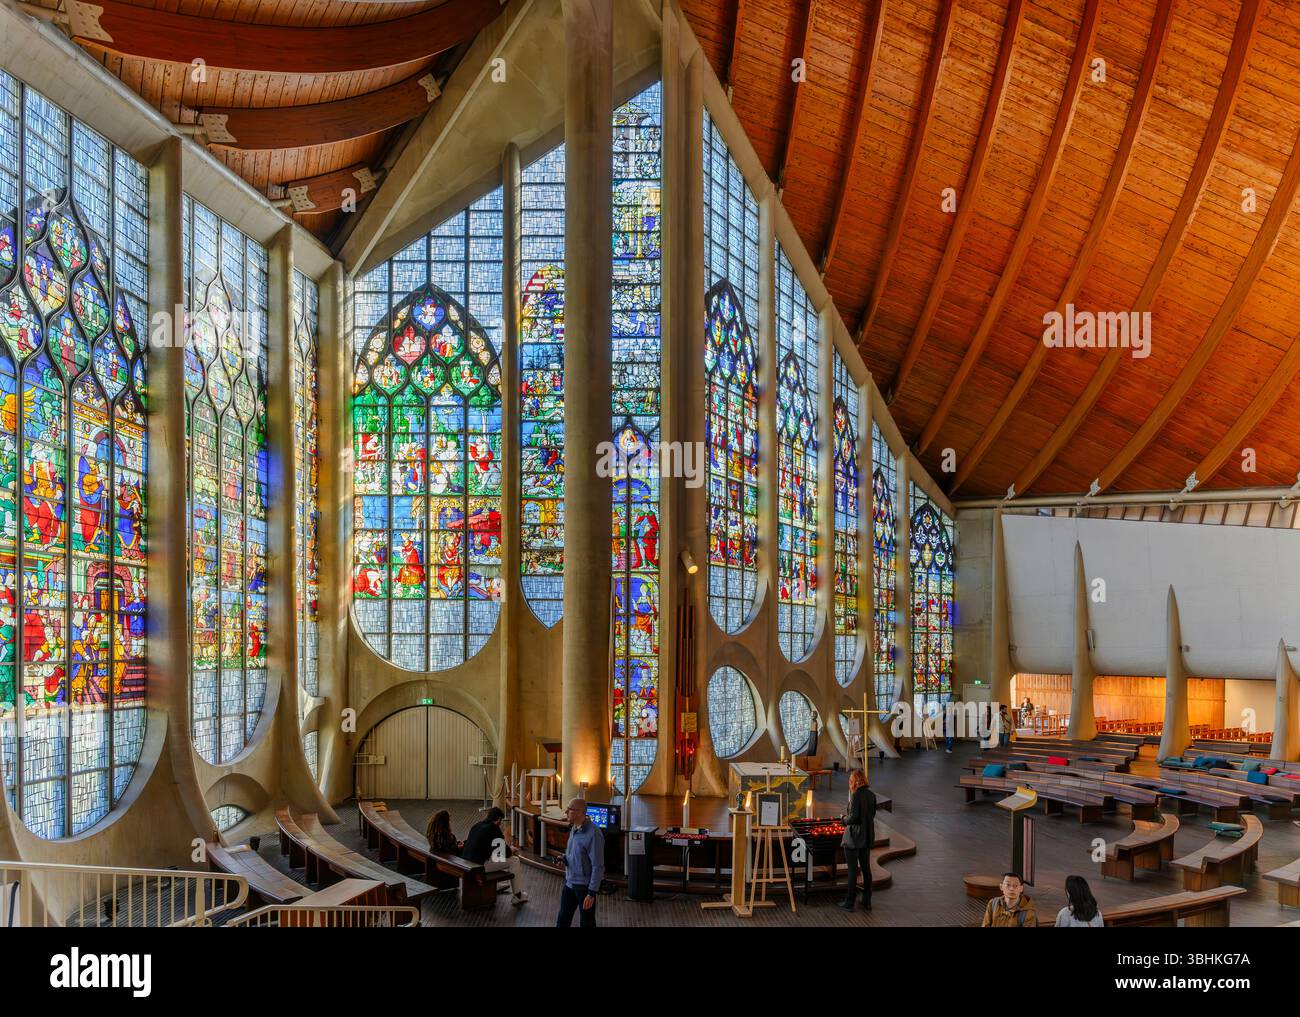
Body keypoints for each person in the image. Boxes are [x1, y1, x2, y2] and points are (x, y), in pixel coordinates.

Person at [462, 806, 528, 906]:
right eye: (500, 822)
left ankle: (493, 886)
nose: (500, 824)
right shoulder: (494, 829)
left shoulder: (477, 825)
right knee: (514, 861)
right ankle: (518, 896)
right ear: (498, 820)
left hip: (467, 862)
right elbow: (505, 853)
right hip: (479, 866)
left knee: (495, 858)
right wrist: (511, 849)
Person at [556, 797, 604, 927]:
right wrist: (564, 859)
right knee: (562, 920)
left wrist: (591, 893)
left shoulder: (594, 834)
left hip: (584, 888)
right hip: (570, 882)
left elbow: (598, 866)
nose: (566, 812)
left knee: (587, 923)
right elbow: (574, 854)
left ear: (579, 812)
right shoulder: (574, 828)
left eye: (569, 810)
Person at [838, 768, 876, 912]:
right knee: (866, 869)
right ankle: (867, 900)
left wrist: (843, 819)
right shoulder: (872, 795)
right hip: (866, 836)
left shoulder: (855, 795)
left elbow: (853, 818)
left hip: (853, 838)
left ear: (853, 781)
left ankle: (849, 901)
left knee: (853, 871)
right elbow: (871, 815)